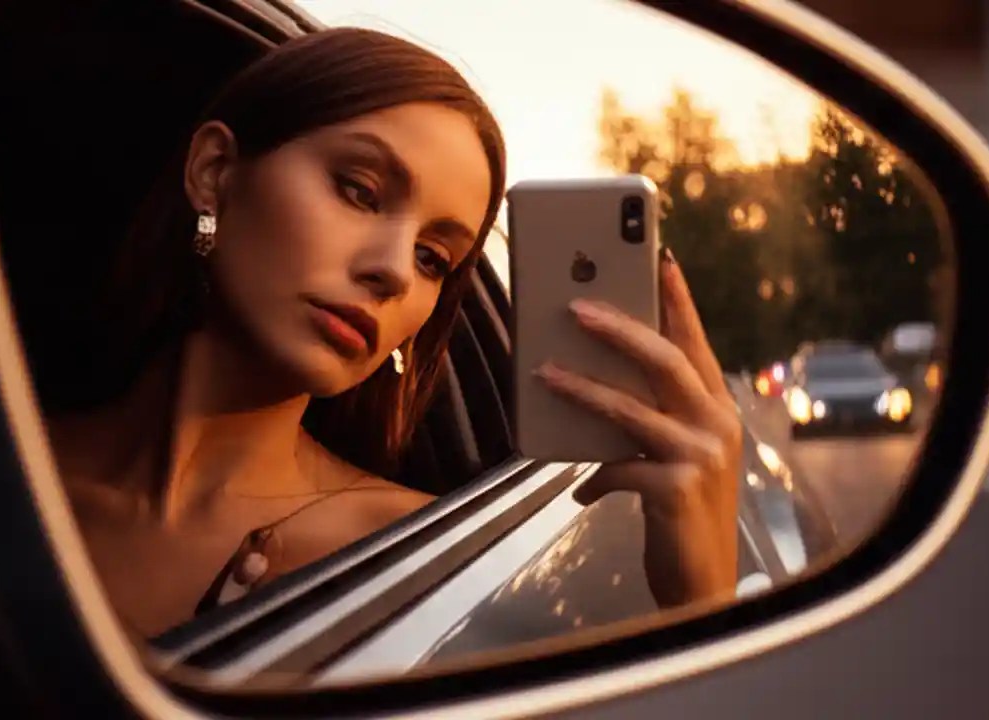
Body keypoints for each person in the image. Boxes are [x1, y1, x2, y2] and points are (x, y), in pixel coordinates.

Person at [44, 27, 741, 640]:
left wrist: (702, 605)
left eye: (434, 258)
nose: (395, 272)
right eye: (360, 191)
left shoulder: (429, 557)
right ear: (215, 173)